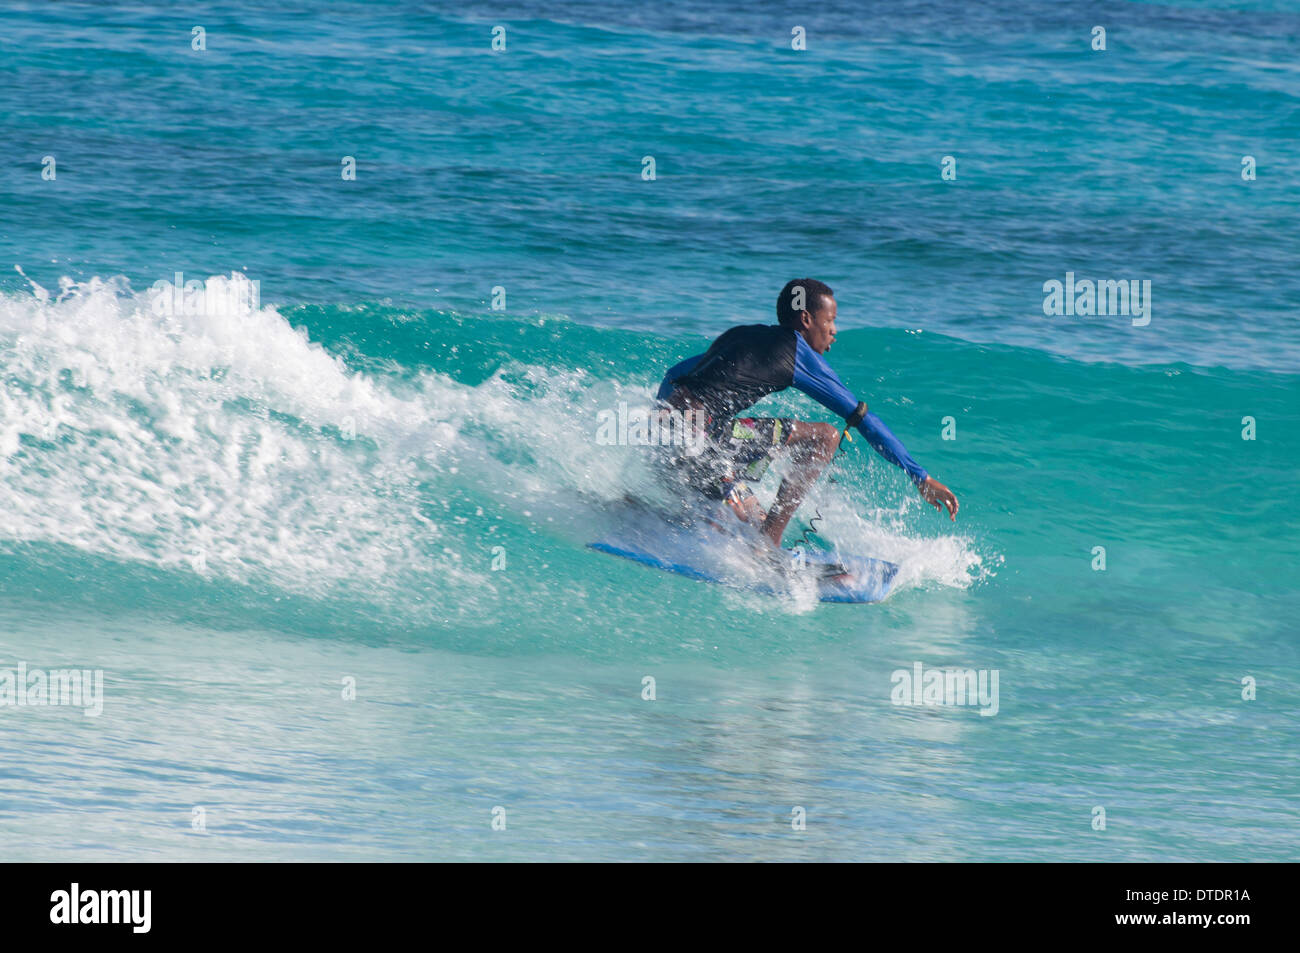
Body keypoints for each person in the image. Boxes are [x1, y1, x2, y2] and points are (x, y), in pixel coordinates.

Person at [657, 278, 958, 548]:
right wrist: (920, 477)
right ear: (806, 319)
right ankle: (766, 547)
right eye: (830, 321)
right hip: (704, 440)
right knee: (826, 436)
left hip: (675, 437)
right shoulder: (798, 352)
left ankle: (681, 511)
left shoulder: (741, 335)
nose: (834, 332)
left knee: (752, 515)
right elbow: (862, 419)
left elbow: (676, 375)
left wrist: (669, 428)